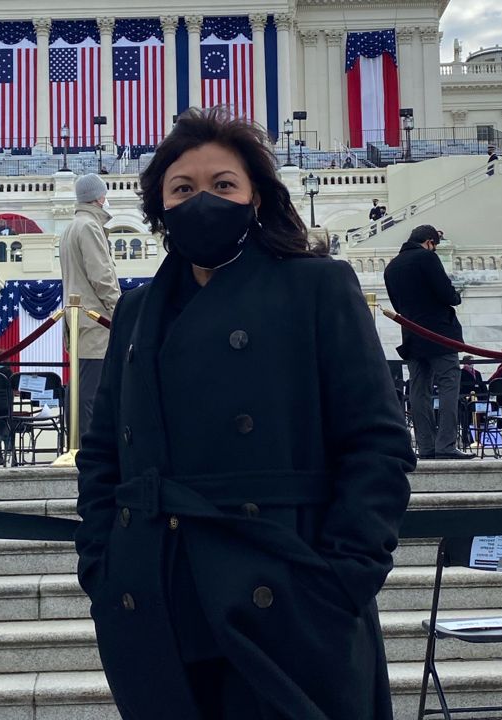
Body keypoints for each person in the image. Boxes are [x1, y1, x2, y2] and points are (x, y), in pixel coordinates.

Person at [75, 107, 413, 719]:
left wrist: (342, 580)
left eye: (223, 185)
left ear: (256, 197)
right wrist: (103, 566)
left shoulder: (318, 286)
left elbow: (377, 444)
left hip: (286, 595)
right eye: (182, 188)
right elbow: (103, 455)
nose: (203, 200)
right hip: (158, 596)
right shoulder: (135, 311)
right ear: (160, 209)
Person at [385, 224, 471, 460]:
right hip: (440, 334)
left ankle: (426, 446)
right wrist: (455, 296)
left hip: (412, 335)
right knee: (448, 386)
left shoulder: (392, 267)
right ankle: (446, 445)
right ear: (429, 242)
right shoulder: (427, 259)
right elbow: (446, 294)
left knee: (419, 390)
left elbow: (397, 305)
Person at [59, 173, 119, 440]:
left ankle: (76, 443)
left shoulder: (72, 226)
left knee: (80, 387)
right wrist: (119, 311)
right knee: (92, 393)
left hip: (79, 321)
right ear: (99, 197)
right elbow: (102, 276)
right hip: (96, 321)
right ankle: (88, 447)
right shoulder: (90, 227)